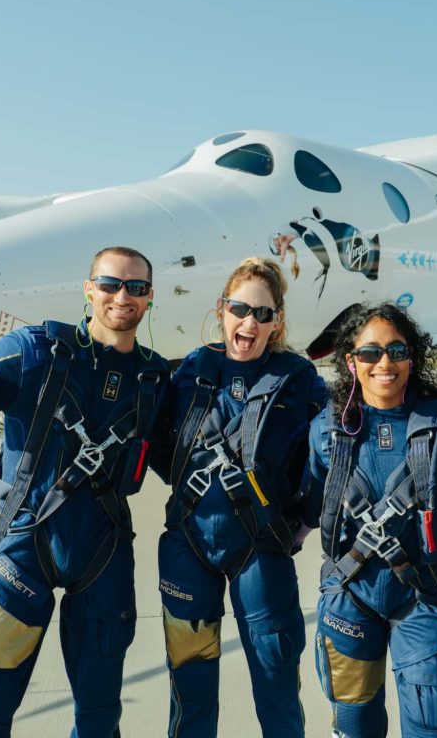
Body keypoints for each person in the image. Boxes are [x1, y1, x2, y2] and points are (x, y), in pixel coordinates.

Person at [0, 246, 170, 738]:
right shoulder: (36, 352)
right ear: (89, 289)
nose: (121, 296)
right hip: (24, 552)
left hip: (103, 553)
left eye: (136, 287)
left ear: (150, 297)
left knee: (100, 718)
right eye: (110, 284)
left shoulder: (155, 378)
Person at [149, 257, 328, 738]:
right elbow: (158, 441)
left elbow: (334, 442)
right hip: (189, 543)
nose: (249, 322)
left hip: (261, 550)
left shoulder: (299, 379)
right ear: (222, 310)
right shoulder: (192, 370)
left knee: (277, 691)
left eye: (263, 314)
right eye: (240, 309)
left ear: (277, 322)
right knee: (190, 691)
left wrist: (306, 519)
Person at [307, 301, 437, 738]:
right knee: (353, 727)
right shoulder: (326, 429)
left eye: (397, 351)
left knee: (432, 728)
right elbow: (304, 506)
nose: (384, 363)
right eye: (370, 352)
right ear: (350, 361)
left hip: (422, 598)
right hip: (349, 596)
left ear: (412, 359)